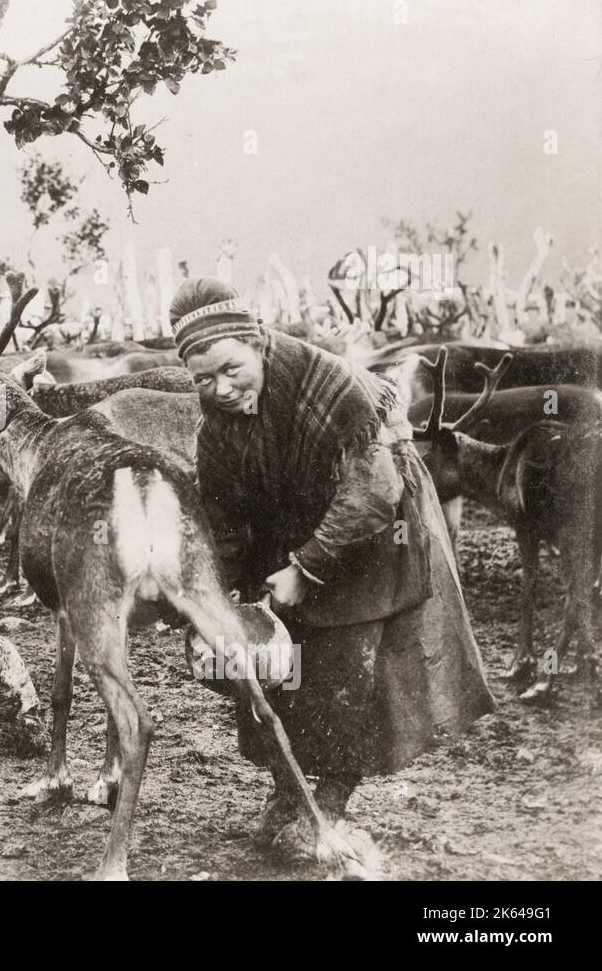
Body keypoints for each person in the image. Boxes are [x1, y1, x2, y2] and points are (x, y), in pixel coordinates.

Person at [169, 277, 494, 848]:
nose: (218, 389)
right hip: (286, 519)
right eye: (202, 379)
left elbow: (372, 489)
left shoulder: (330, 386)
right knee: (274, 665)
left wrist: (307, 567)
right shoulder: (212, 424)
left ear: (259, 343)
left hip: (372, 522)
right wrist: (218, 596)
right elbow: (221, 512)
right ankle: (287, 791)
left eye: (230, 370)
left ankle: (332, 802)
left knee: (351, 671)